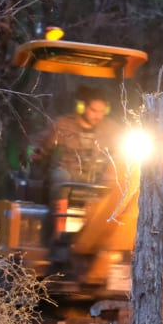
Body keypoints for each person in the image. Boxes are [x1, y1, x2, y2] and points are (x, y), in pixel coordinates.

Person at [32, 86, 120, 236]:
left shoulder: (111, 129)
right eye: (94, 110)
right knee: (60, 177)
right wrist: (36, 154)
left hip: (97, 175)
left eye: (101, 112)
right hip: (70, 172)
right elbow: (44, 144)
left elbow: (121, 149)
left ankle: (102, 233)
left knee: (116, 183)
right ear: (83, 107)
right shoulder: (63, 124)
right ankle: (59, 230)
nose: (98, 116)